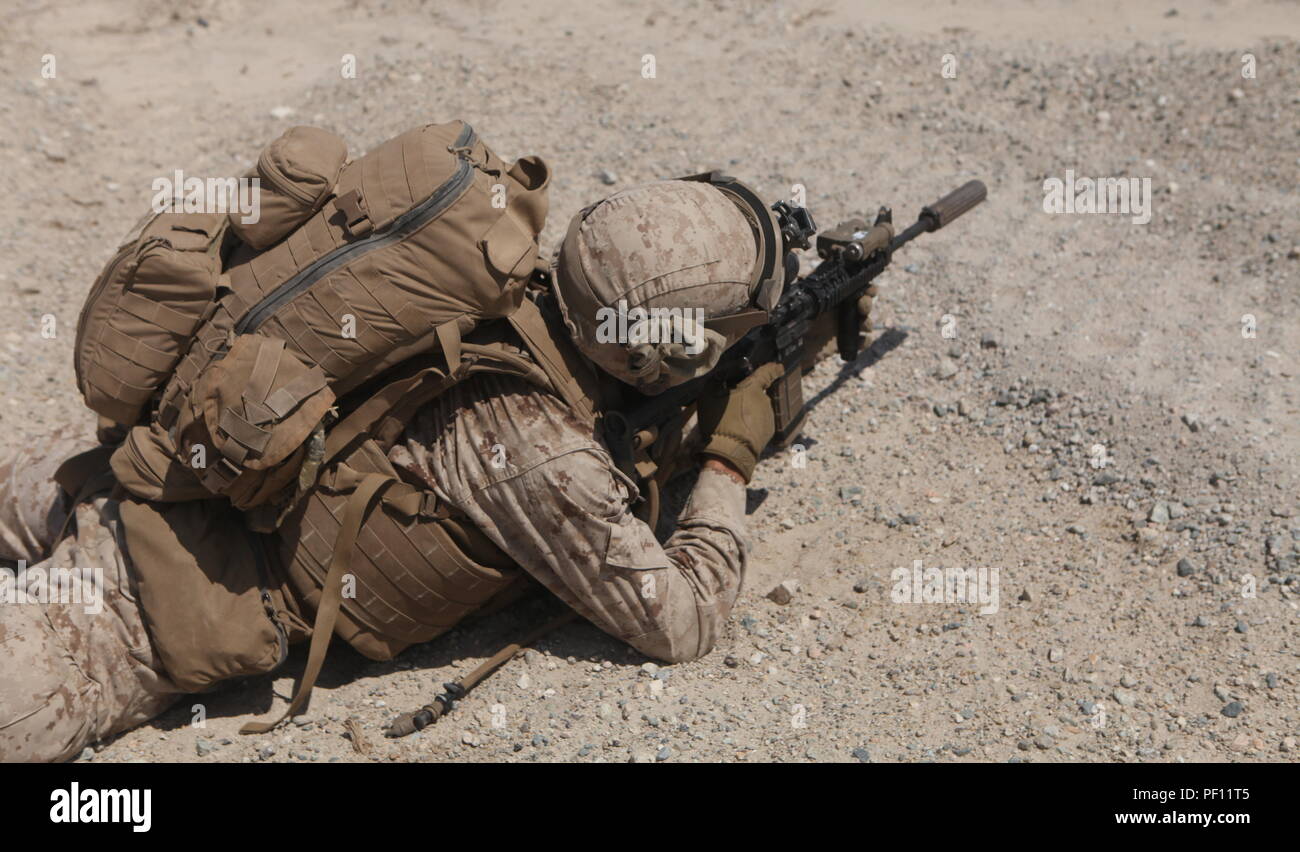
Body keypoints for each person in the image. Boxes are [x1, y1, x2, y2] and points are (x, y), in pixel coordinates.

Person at [0, 176, 876, 762]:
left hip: (125, 469)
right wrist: (728, 457)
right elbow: (679, 623)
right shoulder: (544, 455)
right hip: (143, 602)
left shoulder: (495, 280)